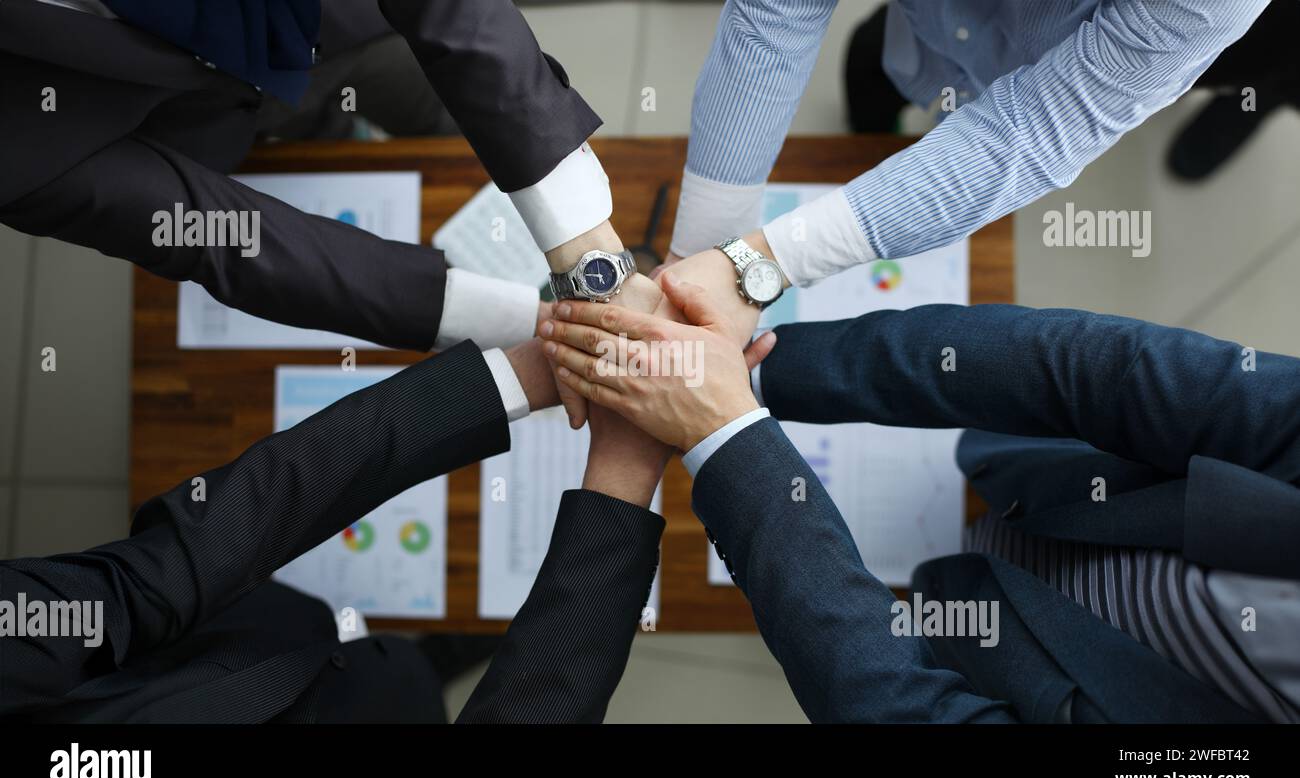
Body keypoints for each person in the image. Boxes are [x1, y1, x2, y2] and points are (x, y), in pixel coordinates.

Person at [541, 272, 1297, 722]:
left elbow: (900, 708)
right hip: (1060, 497)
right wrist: (755, 370)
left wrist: (726, 432)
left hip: (983, 654)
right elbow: (1094, 370)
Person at [0, 337, 687, 723]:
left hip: (222, 650)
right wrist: (623, 475)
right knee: (407, 686)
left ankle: (417, 654)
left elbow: (152, 580)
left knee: (300, 620)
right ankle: (429, 663)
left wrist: (512, 378)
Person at [0, 0, 660, 372]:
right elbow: (222, 236)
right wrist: (535, 323)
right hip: (191, 118)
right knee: (324, 145)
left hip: (343, 22)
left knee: (442, 115)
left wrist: (582, 243)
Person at [645, 0, 1270, 361]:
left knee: (1262, 73)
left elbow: (1035, 128)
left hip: (1240, 39)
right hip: (924, 31)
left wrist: (758, 264)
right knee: (872, 75)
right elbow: (778, 12)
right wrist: (704, 251)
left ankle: (1253, 99)